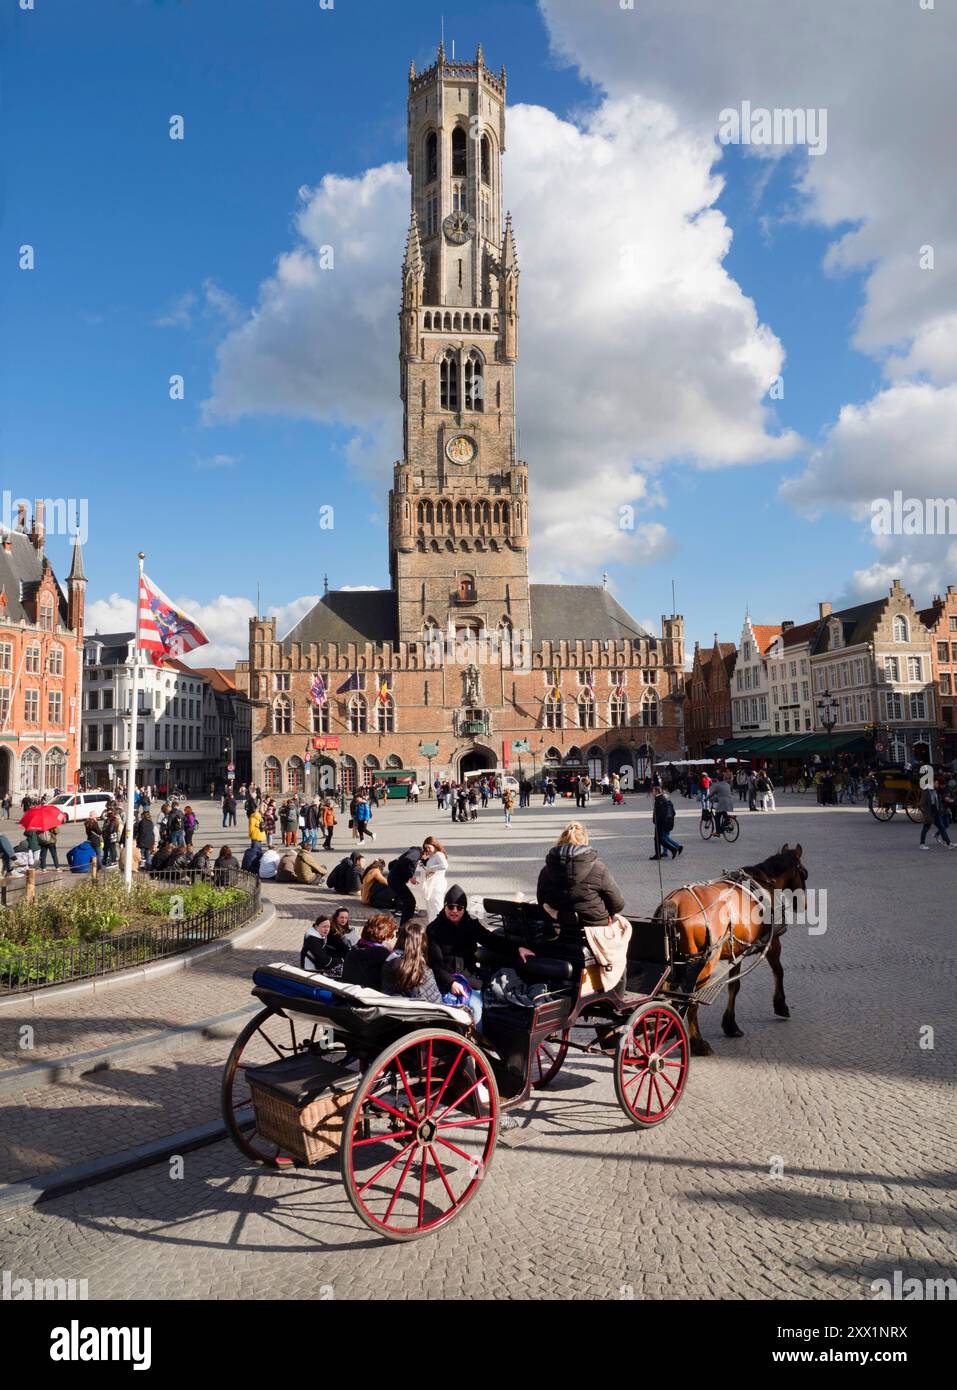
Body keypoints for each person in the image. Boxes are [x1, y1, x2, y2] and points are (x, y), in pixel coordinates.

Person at [427, 884, 533, 1027]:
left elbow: (491, 941)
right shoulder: (433, 929)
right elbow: (435, 963)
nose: (454, 911)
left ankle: (476, 1045)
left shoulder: (470, 924)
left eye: (459, 908)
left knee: (476, 1011)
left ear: (464, 909)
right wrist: (450, 982)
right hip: (444, 980)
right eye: (451, 907)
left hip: (469, 978)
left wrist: (517, 949)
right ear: (444, 907)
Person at [536, 823, 625, 966]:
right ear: (584, 842)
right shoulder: (598, 868)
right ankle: (616, 985)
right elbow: (618, 904)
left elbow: (541, 901)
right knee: (621, 951)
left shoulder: (546, 870)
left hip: (560, 932)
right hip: (594, 933)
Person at [382, 919, 443, 1002]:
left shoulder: (389, 962)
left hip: (391, 1010)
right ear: (423, 943)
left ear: (400, 939)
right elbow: (436, 1001)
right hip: (418, 1013)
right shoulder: (424, 971)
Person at [340, 913, 398, 989]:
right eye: (391, 935)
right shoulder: (383, 954)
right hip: (369, 996)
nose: (391, 938)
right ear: (384, 934)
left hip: (348, 993)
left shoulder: (355, 948)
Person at [300, 913, 351, 978]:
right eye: (324, 927)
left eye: (328, 927)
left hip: (318, 967)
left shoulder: (319, 936)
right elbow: (324, 961)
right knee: (346, 973)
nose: (326, 929)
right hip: (311, 970)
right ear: (316, 926)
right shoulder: (313, 940)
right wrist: (340, 960)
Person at [387, 846, 422, 924]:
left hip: (394, 880)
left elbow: (391, 864)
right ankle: (405, 927)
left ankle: (404, 926)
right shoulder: (416, 853)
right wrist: (410, 875)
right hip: (396, 881)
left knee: (408, 901)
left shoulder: (409, 853)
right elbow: (407, 860)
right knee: (410, 902)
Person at [919, 781, 955, 849]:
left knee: (942, 827)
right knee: (925, 828)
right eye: (936, 783)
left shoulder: (935, 791)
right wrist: (927, 813)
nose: (937, 785)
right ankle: (922, 844)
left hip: (936, 813)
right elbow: (923, 804)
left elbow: (937, 803)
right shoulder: (926, 792)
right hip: (930, 814)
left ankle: (949, 843)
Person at [420, 837, 449, 920]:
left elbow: (445, 865)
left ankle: (439, 926)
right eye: (426, 848)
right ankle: (432, 926)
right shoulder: (432, 856)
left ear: (434, 845)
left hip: (437, 885)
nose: (427, 849)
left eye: (429, 847)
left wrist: (430, 869)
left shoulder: (439, 854)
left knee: (437, 907)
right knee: (430, 907)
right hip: (431, 884)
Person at [651, 786, 683, 859]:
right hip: (660, 823)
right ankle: (661, 853)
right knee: (659, 839)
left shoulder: (660, 800)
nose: (652, 793)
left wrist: (657, 821)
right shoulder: (659, 799)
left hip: (660, 823)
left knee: (660, 839)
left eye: (653, 791)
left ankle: (673, 849)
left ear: (657, 792)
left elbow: (662, 813)